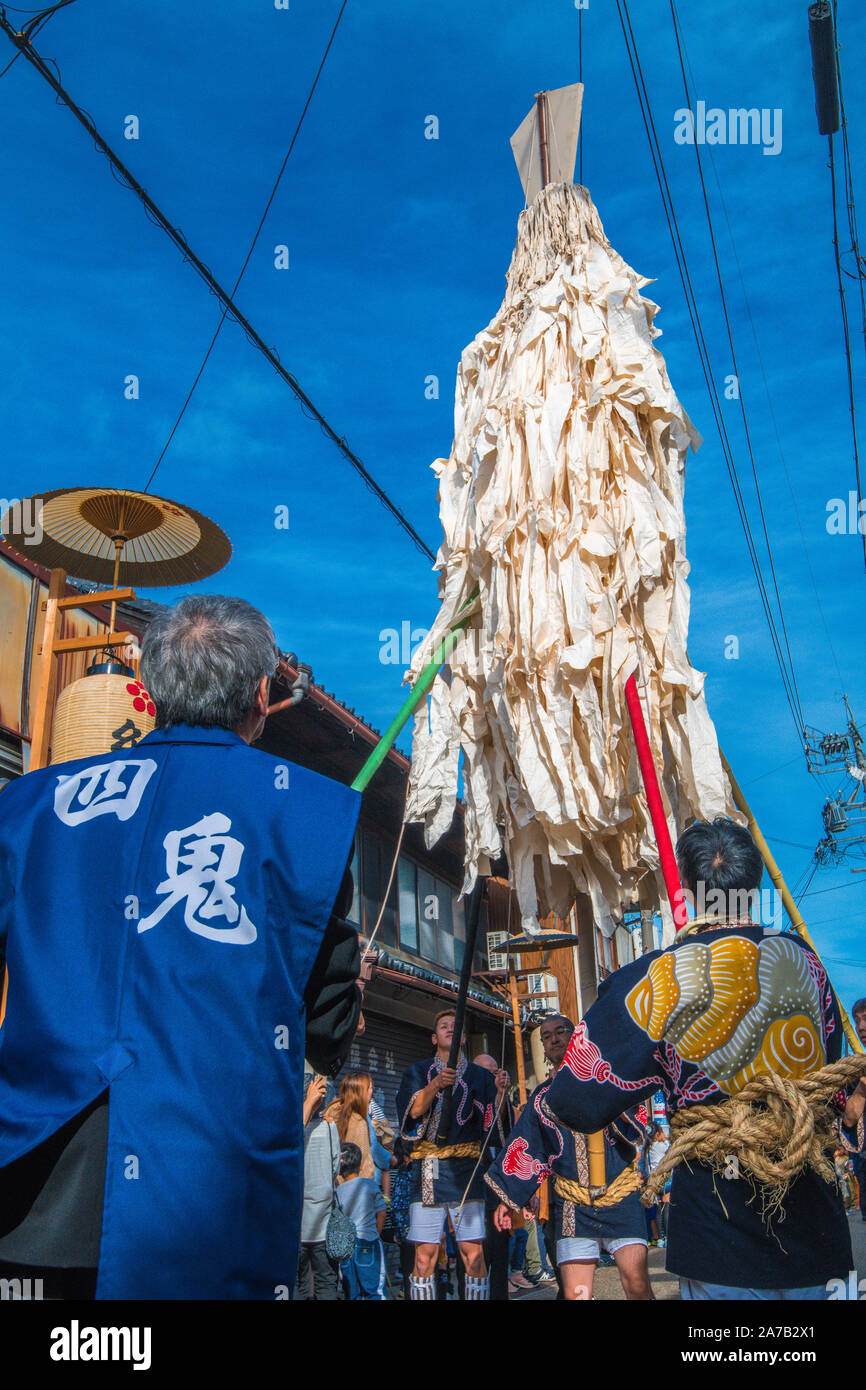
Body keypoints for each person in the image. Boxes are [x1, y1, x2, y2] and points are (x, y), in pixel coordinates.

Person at [0, 594, 365, 1299]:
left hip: (33, 1188)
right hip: (204, 1197)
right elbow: (322, 1025)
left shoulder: (30, 803)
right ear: (261, 694)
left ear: (152, 688)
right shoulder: (308, 812)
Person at [546, 818, 864, 1300]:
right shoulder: (808, 963)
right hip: (812, 1227)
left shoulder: (659, 976)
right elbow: (833, 1092)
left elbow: (573, 1098)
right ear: (753, 885)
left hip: (718, 1225)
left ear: (689, 893)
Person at [487, 1013, 652, 1301]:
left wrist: (601, 1089)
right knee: (577, 1294)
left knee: (637, 1287)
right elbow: (526, 1145)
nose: (553, 1039)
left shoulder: (606, 1075)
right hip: (572, 1205)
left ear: (575, 1034)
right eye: (546, 1036)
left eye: (560, 1031)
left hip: (620, 1195)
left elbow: (636, 1116)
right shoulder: (541, 1098)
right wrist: (507, 1198)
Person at [396, 1009, 509, 1300]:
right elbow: (412, 1113)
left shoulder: (479, 1076)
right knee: (425, 1256)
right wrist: (435, 1085)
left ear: (461, 1039)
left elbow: (492, 1127)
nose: (450, 1029)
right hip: (429, 1170)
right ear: (434, 1038)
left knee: (473, 1255)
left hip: (466, 1170)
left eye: (455, 1027)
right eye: (443, 1026)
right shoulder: (418, 1072)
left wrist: (498, 1093)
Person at [296, 1073, 340, 1300]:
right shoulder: (329, 1128)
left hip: (296, 1221)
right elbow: (335, 1168)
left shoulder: (293, 1128)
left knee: (298, 1284)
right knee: (326, 1281)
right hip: (322, 1220)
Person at [334, 1142, 387, 1300]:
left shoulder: (338, 1191)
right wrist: (376, 1233)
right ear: (359, 1164)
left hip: (346, 1247)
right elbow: (382, 1212)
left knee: (352, 1293)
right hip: (368, 1241)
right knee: (373, 1291)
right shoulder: (370, 1185)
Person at [323, 1072, 390, 1184]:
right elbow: (365, 1164)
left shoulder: (331, 1110)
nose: (371, 1093)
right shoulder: (359, 1121)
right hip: (352, 1187)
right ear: (362, 1091)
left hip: (330, 1184)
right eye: (370, 1088)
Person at [837, 998, 866, 1218]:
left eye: (865, 1018)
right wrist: (862, 1085)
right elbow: (850, 1119)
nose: (861, 1027)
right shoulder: (855, 1072)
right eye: (856, 1020)